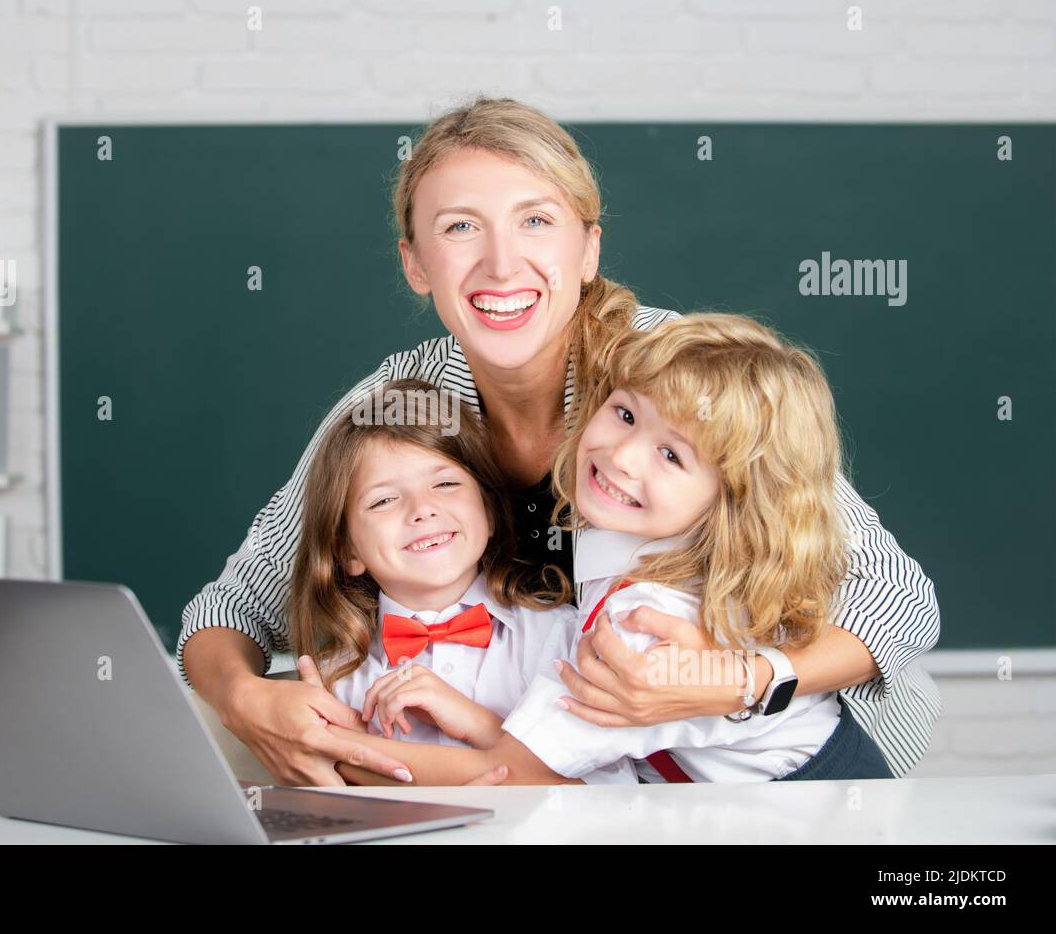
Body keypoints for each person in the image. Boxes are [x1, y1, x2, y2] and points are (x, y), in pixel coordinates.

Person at [178, 96, 940, 786]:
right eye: (460, 227)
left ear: (589, 251)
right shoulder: (395, 412)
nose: (503, 263)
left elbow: (900, 601)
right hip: (599, 789)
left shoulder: (673, 382)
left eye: (536, 221)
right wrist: (244, 699)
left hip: (800, 779)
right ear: (416, 263)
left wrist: (726, 682)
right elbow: (231, 608)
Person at [321, 314, 897, 785]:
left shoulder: (645, 623)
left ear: (733, 499)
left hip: (816, 801)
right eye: (624, 414)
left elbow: (512, 777)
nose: (621, 456)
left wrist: (336, 750)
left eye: (672, 456)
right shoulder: (616, 539)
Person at [288, 377, 579, 755]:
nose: (422, 509)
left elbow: (610, 786)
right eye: (384, 500)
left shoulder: (558, 638)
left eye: (444, 484)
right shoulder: (335, 682)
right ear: (347, 552)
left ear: (489, 513)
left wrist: (480, 726)